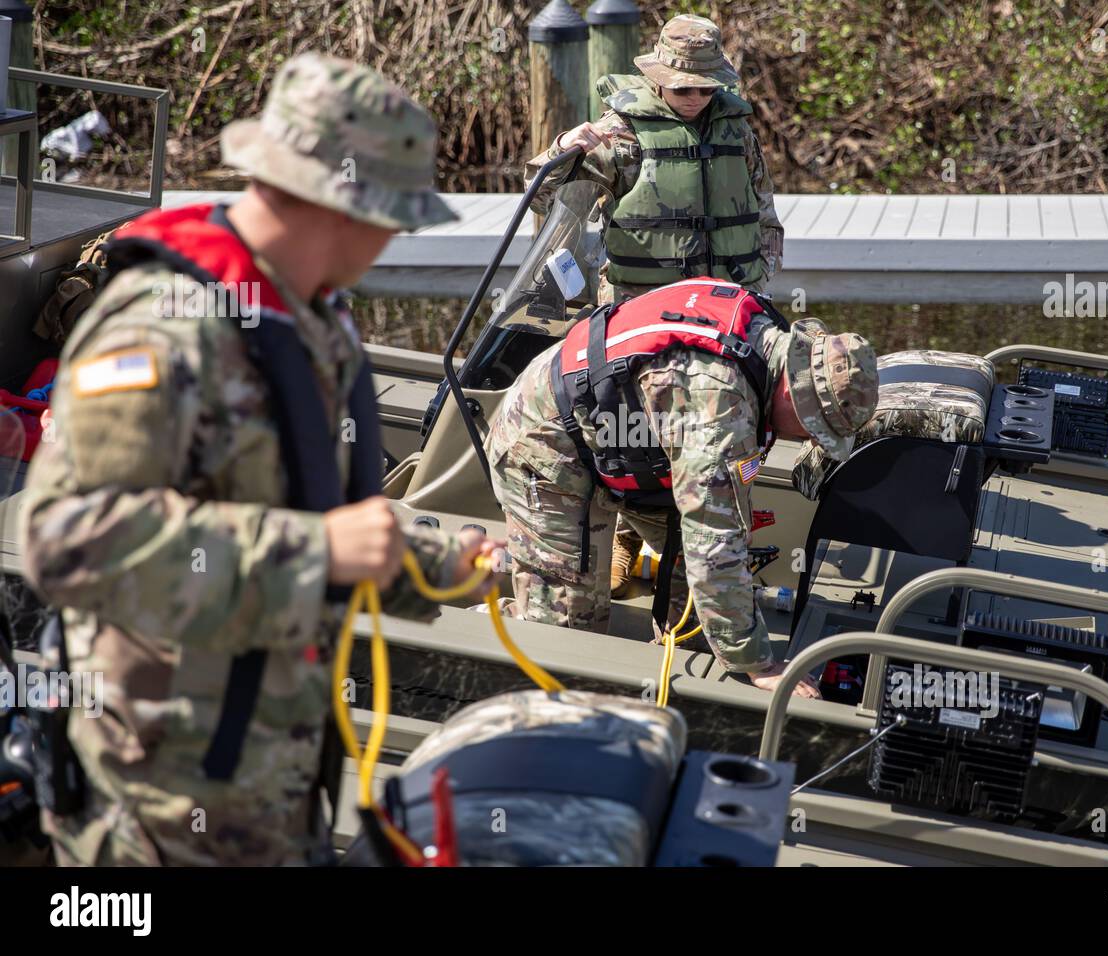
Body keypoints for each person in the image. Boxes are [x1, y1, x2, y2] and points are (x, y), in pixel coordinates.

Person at [20, 52, 504, 866]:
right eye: (391, 215)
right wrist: (319, 553)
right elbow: (66, 538)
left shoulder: (311, 324)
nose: (393, 238)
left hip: (278, 781)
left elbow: (309, 515)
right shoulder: (162, 329)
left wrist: (434, 562)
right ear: (338, 203)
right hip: (162, 810)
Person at [487, 278, 878, 699]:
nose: (807, 440)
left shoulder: (770, 340)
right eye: (813, 431)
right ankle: (484, 637)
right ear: (795, 395)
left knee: (694, 592)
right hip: (545, 445)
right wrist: (758, 663)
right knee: (568, 635)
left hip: (627, 443)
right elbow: (714, 545)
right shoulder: (720, 404)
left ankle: (681, 673)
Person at [524, 13, 786, 596]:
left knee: (731, 445)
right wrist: (566, 147)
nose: (695, 98)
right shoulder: (622, 134)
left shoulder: (737, 131)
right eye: (684, 87)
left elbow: (763, 212)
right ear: (660, 80)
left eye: (706, 87)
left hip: (723, 321)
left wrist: (761, 278)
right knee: (630, 437)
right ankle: (624, 537)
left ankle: (714, 561)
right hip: (641, 323)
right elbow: (540, 195)